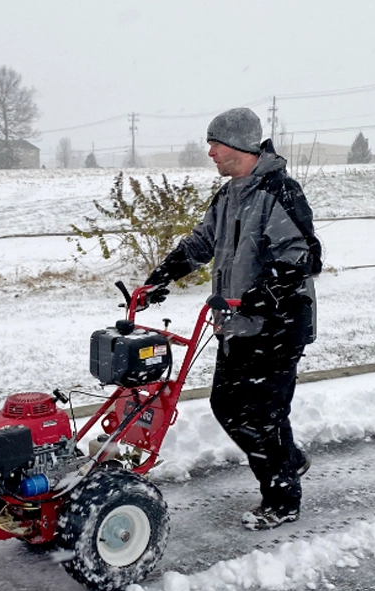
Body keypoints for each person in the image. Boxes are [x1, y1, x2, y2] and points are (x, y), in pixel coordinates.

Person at [145, 107, 321, 531]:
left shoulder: (280, 191)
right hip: (236, 324)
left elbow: (304, 256)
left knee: (264, 414)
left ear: (239, 146)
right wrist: (162, 276)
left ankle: (282, 499)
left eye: (214, 144)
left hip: (277, 325)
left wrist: (265, 294)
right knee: (227, 405)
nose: (209, 152)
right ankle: (289, 460)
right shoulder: (229, 195)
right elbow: (202, 242)